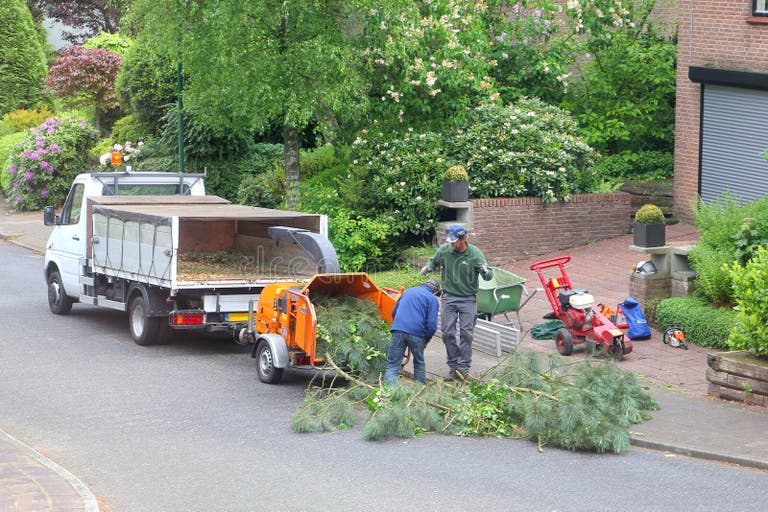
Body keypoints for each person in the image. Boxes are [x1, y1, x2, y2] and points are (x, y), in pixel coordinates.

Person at [420, 224, 492, 381]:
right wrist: (427, 267)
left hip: (468, 299)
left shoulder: (475, 254)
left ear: (463, 238)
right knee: (447, 333)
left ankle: (463, 368)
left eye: (454, 242)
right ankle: (453, 367)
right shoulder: (445, 250)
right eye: (450, 241)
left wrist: (485, 271)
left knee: (466, 334)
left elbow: (488, 276)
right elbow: (434, 262)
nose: (451, 244)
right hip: (449, 297)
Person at [383, 279, 442, 385]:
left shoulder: (408, 292)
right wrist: (426, 340)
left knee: (392, 365)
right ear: (436, 292)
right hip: (417, 333)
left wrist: (400, 325)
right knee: (419, 363)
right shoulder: (432, 299)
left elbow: (394, 313)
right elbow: (432, 325)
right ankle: (419, 394)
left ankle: (388, 396)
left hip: (398, 330)